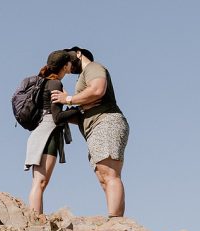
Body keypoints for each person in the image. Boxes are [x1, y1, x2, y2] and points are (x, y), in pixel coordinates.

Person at [51, 46, 129, 217]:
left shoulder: (93, 67)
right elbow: (83, 112)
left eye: (69, 59)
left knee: (110, 175)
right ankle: (115, 221)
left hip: (106, 121)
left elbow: (97, 89)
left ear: (78, 53)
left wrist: (69, 99)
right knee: (104, 178)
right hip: (95, 127)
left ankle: (116, 223)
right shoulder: (83, 75)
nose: (68, 66)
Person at [25, 50, 82, 215]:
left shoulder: (43, 82)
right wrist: (79, 110)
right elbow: (57, 117)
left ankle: (36, 218)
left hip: (39, 132)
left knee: (38, 182)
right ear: (65, 66)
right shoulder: (55, 84)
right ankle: (36, 219)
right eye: (70, 63)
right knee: (40, 183)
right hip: (48, 134)